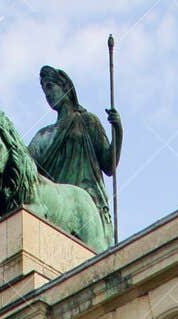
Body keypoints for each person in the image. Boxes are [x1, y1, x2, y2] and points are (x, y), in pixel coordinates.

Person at [28, 66, 121, 249]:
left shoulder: (87, 121)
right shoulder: (44, 134)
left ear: (65, 87)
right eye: (44, 90)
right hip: (58, 206)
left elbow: (109, 165)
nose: (47, 94)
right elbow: (26, 165)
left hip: (88, 200)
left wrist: (118, 131)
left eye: (50, 86)